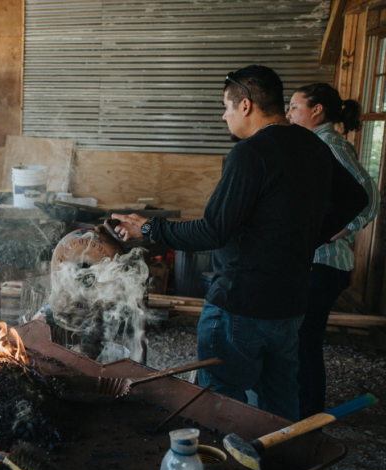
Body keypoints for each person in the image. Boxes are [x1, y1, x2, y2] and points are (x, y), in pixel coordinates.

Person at [113, 65, 368, 421]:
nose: (224, 115)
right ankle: (280, 454)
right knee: (280, 408)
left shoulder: (250, 153)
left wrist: (150, 228)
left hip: (239, 304)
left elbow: (213, 231)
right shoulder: (313, 145)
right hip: (290, 304)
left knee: (219, 406)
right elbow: (356, 198)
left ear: (246, 105)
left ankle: (226, 457)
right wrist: (307, 237)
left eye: (226, 107)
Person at [286, 83, 380, 419]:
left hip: (325, 263)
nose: (288, 114)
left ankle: (308, 420)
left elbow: (368, 197)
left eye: (294, 107)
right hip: (316, 261)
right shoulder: (314, 143)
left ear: (316, 110)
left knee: (305, 343)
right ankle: (302, 416)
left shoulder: (330, 144)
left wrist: (333, 233)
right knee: (301, 341)